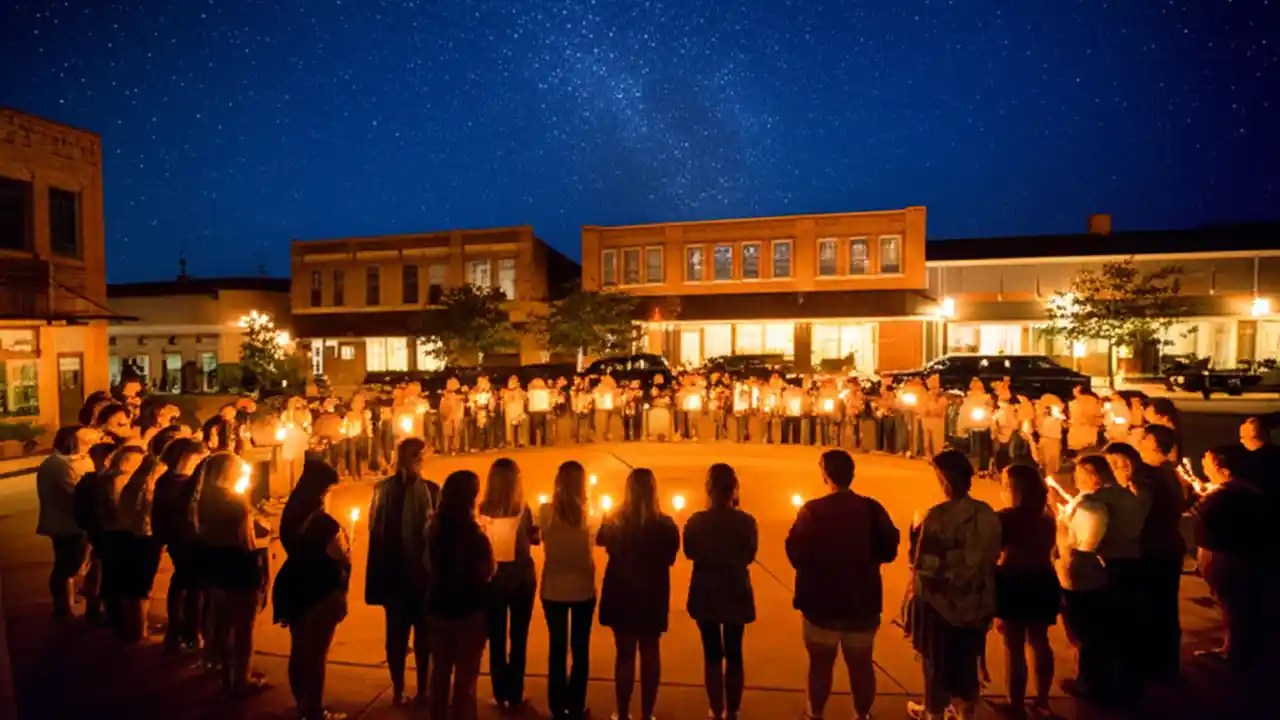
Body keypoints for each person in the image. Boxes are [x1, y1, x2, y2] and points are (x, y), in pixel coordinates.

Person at [785, 449, 898, 720]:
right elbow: (889, 550)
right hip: (861, 603)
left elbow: (796, 554)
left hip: (821, 605)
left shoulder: (812, 511)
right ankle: (862, 715)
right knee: (861, 666)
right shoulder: (871, 508)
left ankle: (816, 714)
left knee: (820, 665)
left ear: (825, 475)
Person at [904, 450, 1001, 720]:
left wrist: (914, 540)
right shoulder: (987, 513)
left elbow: (926, 565)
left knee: (936, 662)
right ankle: (965, 713)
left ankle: (933, 711)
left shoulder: (938, 516)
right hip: (976, 604)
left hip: (941, 606)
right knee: (966, 662)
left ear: (944, 479)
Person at [598, 468, 681, 720]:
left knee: (624, 655)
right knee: (650, 651)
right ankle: (647, 713)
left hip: (622, 593)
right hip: (651, 595)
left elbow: (601, 540)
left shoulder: (615, 521)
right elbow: (670, 557)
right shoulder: (664, 525)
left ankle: (623, 713)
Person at [274, 460, 351, 720]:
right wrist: (347, 546)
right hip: (320, 587)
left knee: (299, 647)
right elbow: (338, 554)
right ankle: (314, 708)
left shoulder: (291, 512)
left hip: (294, 583)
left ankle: (301, 702)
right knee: (317, 652)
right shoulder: (322, 522)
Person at [365, 438, 440, 707]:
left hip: (397, 574)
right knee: (416, 637)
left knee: (402, 636)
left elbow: (372, 527)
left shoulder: (384, 489)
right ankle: (415, 689)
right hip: (411, 575)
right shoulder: (428, 491)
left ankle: (406, 690)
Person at [685, 463, 758, 720]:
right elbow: (750, 555)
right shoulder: (746, 522)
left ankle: (716, 709)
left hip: (706, 592)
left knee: (712, 652)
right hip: (735, 590)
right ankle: (733, 710)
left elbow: (689, 551)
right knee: (735, 651)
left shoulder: (696, 521)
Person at [195, 451, 269, 695]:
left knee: (223, 623)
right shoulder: (234, 503)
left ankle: (227, 674)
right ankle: (241, 679)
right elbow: (245, 541)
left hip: (213, 562)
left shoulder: (204, 498)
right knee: (244, 627)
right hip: (238, 565)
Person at [427, 470, 495, 720]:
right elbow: (486, 573)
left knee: (440, 674)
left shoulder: (434, 528)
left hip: (438, 607)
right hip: (468, 612)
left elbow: (427, 563)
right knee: (465, 680)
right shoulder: (475, 536)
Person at [1192, 444, 1268, 669]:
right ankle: (1233, 647)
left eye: (1208, 463)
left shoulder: (1228, 496)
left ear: (1224, 469)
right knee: (1233, 605)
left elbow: (1206, 515)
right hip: (1230, 555)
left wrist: (1203, 500)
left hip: (1224, 557)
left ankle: (1236, 652)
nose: (1204, 467)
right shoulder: (1244, 491)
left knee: (1233, 605)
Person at [993, 464, 1059, 718]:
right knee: (1040, 640)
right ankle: (1042, 700)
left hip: (1014, 578)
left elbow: (996, 549)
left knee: (1014, 643)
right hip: (1042, 577)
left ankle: (1016, 701)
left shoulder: (1007, 517)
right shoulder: (1047, 516)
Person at [479, 458, 541, 710]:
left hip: (494, 580)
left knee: (496, 637)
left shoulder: (484, 508)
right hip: (521, 579)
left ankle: (500, 691)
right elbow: (533, 538)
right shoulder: (522, 509)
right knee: (518, 636)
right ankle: (515, 690)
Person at [1053, 455, 1113, 703]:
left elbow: (1086, 543)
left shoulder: (1092, 508)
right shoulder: (1087, 502)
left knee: (1084, 629)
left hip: (1082, 574)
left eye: (1080, 473)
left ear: (1094, 476)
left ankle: (1090, 683)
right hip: (1078, 572)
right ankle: (1086, 677)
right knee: (1081, 628)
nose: (1075, 477)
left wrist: (1062, 528)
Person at [1136, 424, 1192, 683]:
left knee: (1151, 607)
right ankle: (1167, 664)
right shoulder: (1170, 472)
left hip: (1153, 548)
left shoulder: (1149, 474)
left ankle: (1152, 664)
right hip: (1169, 546)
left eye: (1143, 437)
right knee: (1165, 608)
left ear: (1153, 443)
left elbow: (1140, 513)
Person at [152, 437, 208, 652]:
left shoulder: (167, 480)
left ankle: (177, 631)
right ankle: (190, 633)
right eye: (199, 455)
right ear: (187, 457)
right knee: (194, 586)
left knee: (182, 581)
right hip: (187, 540)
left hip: (177, 539)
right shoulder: (180, 484)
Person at [36, 427, 91, 618]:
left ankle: (65, 604)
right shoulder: (60, 465)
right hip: (68, 525)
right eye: (84, 440)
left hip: (65, 523)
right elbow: (72, 495)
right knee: (67, 566)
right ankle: (62, 607)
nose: (88, 444)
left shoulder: (60, 463)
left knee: (67, 565)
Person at [115, 449, 167, 642]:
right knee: (142, 587)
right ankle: (139, 631)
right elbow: (147, 517)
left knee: (132, 586)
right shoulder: (148, 489)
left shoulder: (132, 485)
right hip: (145, 538)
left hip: (129, 536)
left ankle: (130, 627)